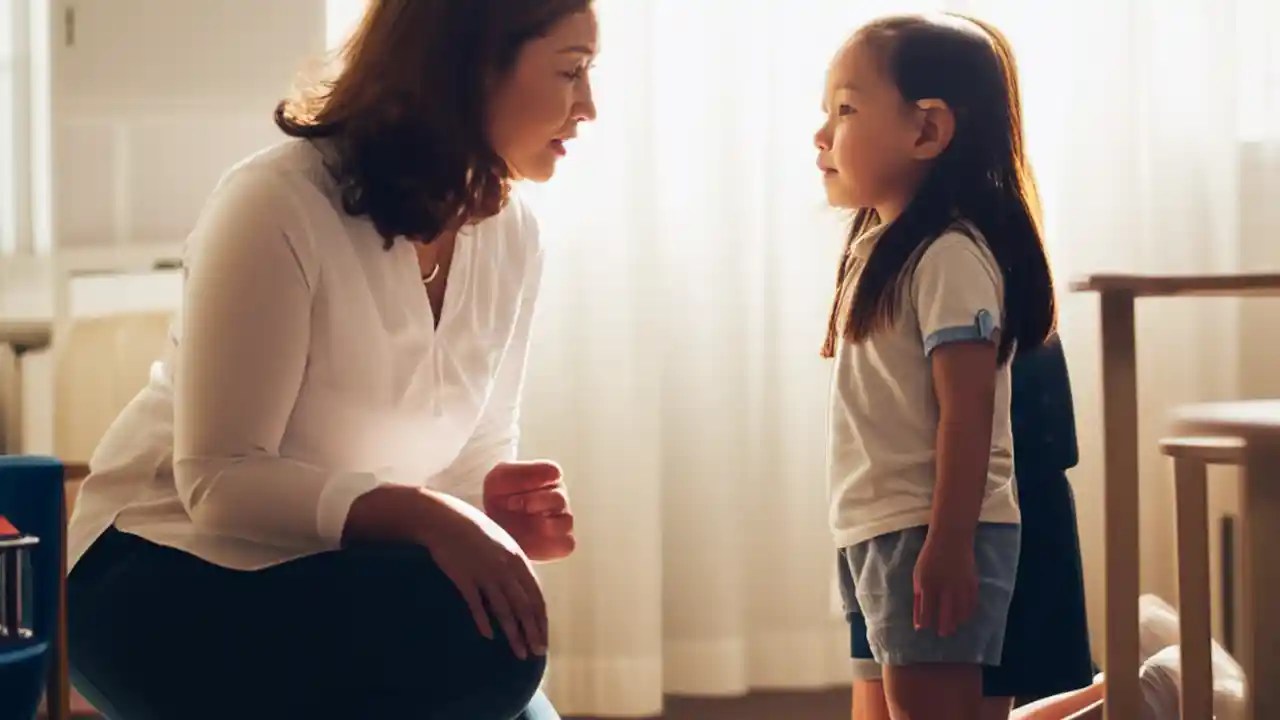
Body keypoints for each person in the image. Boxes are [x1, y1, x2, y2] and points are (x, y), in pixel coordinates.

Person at [64, 1, 597, 718]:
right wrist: (433, 519)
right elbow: (220, 480)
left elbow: (473, 454)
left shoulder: (514, 235)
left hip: (336, 567)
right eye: (571, 72)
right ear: (471, 66)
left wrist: (493, 514)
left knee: (500, 654)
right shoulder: (276, 203)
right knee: (481, 656)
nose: (587, 107)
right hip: (167, 562)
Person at [815, 12, 1057, 720]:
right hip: (874, 527)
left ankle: (1151, 696)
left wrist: (950, 543)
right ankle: (1139, 693)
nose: (822, 134)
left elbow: (969, 409)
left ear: (927, 131)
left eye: (847, 109)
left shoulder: (950, 254)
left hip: (930, 529)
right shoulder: (877, 248)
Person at [846, 333, 1095, 720]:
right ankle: (1157, 680)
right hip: (885, 498)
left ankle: (1156, 682)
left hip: (964, 489)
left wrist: (949, 541)